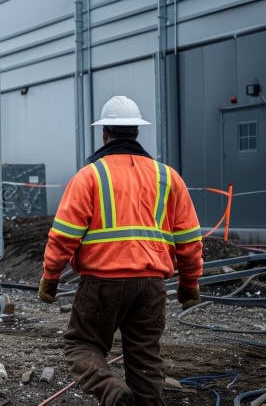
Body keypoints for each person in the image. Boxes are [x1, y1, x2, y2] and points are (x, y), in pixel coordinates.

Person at [38, 96, 204, 406]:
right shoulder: (168, 177)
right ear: (137, 133)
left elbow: (63, 237)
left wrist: (51, 278)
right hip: (152, 285)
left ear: (105, 133)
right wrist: (189, 283)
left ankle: (112, 392)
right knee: (145, 361)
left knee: (81, 345)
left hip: (102, 283)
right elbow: (190, 239)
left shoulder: (89, 176)